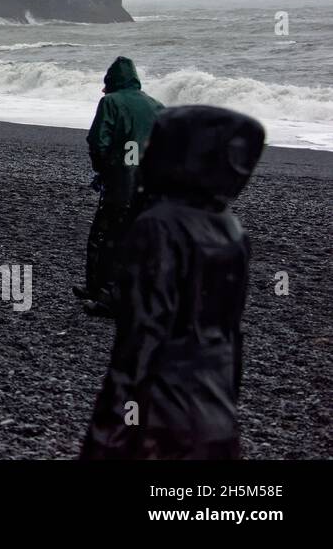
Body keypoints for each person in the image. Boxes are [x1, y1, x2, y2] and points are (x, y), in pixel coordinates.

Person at [81, 105, 264, 460]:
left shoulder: (160, 226)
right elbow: (232, 334)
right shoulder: (231, 229)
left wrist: (109, 428)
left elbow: (143, 337)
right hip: (214, 403)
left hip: (160, 406)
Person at [77, 56, 163, 315]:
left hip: (121, 182)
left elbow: (97, 141)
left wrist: (103, 170)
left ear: (112, 82)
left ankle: (103, 294)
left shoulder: (111, 102)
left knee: (106, 236)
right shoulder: (157, 106)